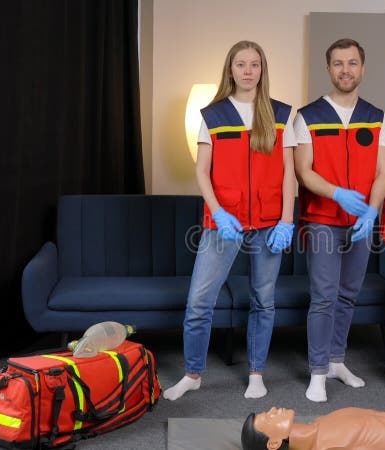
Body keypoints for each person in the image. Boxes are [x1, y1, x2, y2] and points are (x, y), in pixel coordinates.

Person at [163, 40, 296, 401]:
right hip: (223, 224)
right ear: (231, 70)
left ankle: (256, 373)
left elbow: (288, 173)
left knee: (263, 301)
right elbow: (201, 171)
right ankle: (193, 374)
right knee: (199, 303)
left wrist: (287, 219)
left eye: (255, 64)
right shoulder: (213, 115)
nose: (248, 71)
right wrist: (218, 213)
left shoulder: (282, 114)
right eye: (241, 64)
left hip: (269, 224)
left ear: (262, 71)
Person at [293, 38, 385, 402]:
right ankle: (317, 371)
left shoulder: (378, 116)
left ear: (362, 68)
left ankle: (336, 360)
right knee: (323, 296)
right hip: (321, 219)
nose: (345, 70)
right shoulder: (308, 116)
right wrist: (337, 193)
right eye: (338, 64)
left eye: (352, 63)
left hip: (362, 223)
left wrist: (372, 209)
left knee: (348, 295)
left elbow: (383, 171)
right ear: (329, 69)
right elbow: (303, 170)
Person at [241, 396, 385, 450]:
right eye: (267, 417)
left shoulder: (321, 422)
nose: (273, 410)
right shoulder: (327, 447)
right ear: (274, 443)